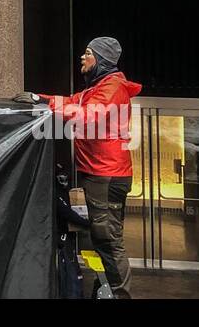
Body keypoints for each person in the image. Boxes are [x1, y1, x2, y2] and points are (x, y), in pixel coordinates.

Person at [16, 36, 142, 298]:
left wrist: (45, 104)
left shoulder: (111, 88)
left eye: (87, 53)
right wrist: (40, 98)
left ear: (102, 60)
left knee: (107, 237)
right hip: (98, 172)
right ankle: (107, 288)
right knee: (100, 235)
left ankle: (120, 294)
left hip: (106, 174)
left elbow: (88, 114)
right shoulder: (98, 87)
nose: (82, 58)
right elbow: (71, 101)